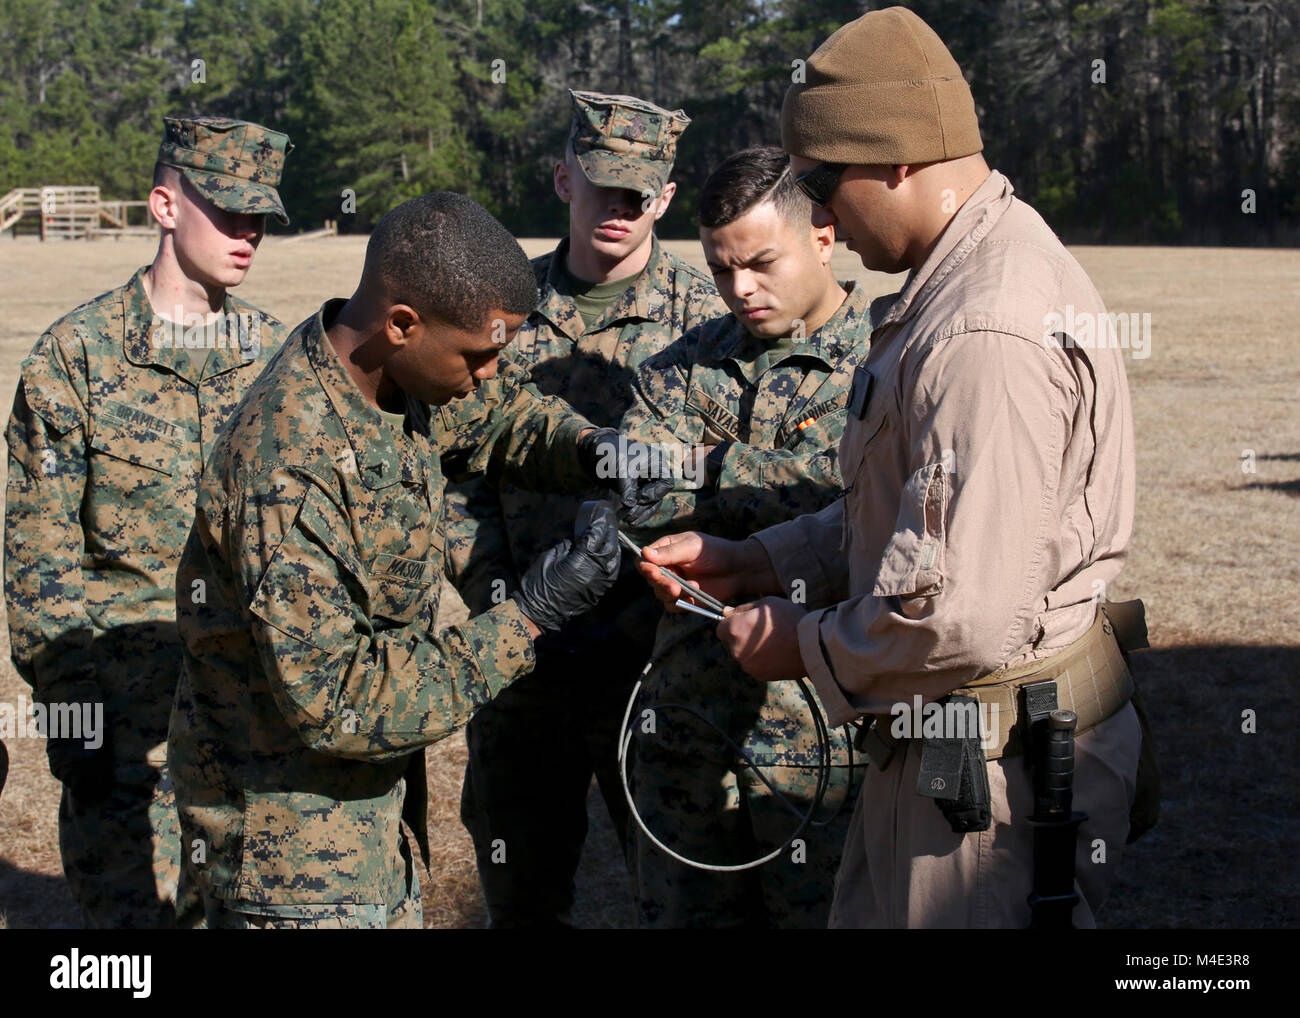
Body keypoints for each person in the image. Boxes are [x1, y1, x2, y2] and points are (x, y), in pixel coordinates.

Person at [637, 6, 1151, 929]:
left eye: (826, 185)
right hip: (950, 752)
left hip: (983, 788)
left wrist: (805, 642)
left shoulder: (982, 328)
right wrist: (756, 559)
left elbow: (966, 612)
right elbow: (922, 513)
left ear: (902, 161)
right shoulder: (966, 276)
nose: (820, 214)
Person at [168, 191, 672, 930]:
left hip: (362, 828)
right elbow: (341, 702)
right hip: (293, 866)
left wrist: (592, 449)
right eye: (482, 354)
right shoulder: (291, 468)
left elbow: (498, 419)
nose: (492, 374)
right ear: (403, 323)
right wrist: (530, 617)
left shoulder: (391, 376)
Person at [443, 89, 727, 927]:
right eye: (603, 184)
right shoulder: (498, 313)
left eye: (642, 192)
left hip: (660, 657)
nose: (621, 205)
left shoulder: (708, 322)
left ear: (668, 198)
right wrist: (500, 597)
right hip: (521, 654)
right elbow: (456, 474)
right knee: (521, 891)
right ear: (564, 179)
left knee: (681, 893)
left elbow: (723, 490)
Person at [4, 116, 292, 928]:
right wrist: (78, 726)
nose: (248, 234)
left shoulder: (279, 357)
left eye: (260, 216)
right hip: (131, 736)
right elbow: (40, 562)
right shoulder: (76, 359)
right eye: (228, 210)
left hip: (253, 726)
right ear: (165, 206)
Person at [619, 146, 871, 927]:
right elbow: (637, 496)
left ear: (823, 234)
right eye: (722, 270)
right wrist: (771, 483)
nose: (740, 291)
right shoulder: (681, 366)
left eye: (760, 263)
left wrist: (714, 466)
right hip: (686, 728)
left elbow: (860, 507)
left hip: (826, 741)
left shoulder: (885, 366)